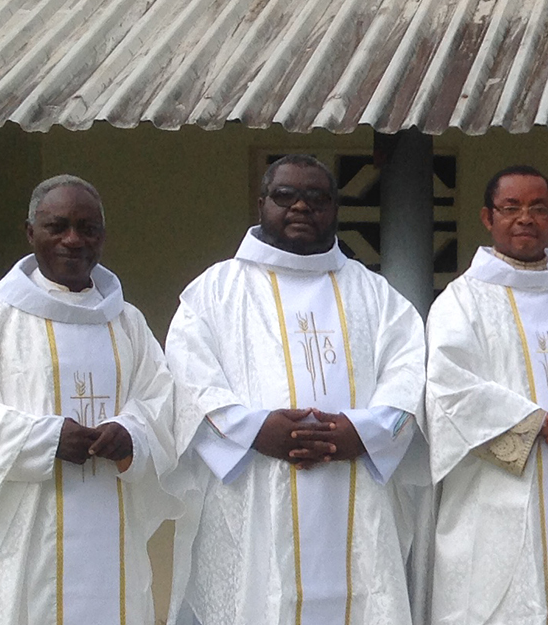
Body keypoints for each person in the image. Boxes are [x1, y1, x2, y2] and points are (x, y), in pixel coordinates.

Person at [0, 175, 180, 625]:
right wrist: (43, 439)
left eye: (87, 228)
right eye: (57, 226)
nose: (73, 239)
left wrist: (132, 435)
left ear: (102, 236)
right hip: (27, 535)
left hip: (112, 530)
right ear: (30, 233)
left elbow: (161, 399)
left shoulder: (127, 322)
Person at [166, 154, 426, 625]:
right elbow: (190, 377)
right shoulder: (215, 291)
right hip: (254, 487)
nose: (301, 207)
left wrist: (361, 432)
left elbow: (409, 372)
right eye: (285, 196)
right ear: (261, 203)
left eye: (317, 198)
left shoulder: (375, 293)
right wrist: (254, 430)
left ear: (335, 209)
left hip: (355, 485)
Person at [421, 166, 548, 624]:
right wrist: (533, 424)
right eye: (511, 208)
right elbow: (448, 386)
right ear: (487, 218)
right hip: (494, 490)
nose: (525, 218)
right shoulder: (460, 300)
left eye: (538, 208)